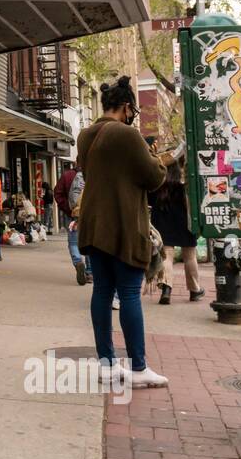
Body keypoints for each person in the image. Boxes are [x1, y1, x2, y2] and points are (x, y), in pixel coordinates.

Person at [76, 76, 177, 388]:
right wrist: (163, 158)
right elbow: (155, 176)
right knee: (130, 292)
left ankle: (106, 364)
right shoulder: (127, 135)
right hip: (122, 223)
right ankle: (138, 366)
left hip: (94, 225)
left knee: (102, 292)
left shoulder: (85, 134)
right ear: (125, 106)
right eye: (133, 109)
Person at [149, 159, 205, 305]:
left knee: (167, 257)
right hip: (185, 223)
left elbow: (149, 200)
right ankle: (194, 290)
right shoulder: (185, 186)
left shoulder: (159, 184)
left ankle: (166, 290)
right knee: (190, 257)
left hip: (163, 224)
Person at [55, 164, 89, 283]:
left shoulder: (67, 175)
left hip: (73, 215)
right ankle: (89, 273)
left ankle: (78, 261)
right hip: (90, 216)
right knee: (90, 243)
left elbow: (58, 194)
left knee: (73, 243)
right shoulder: (94, 174)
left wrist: (67, 208)